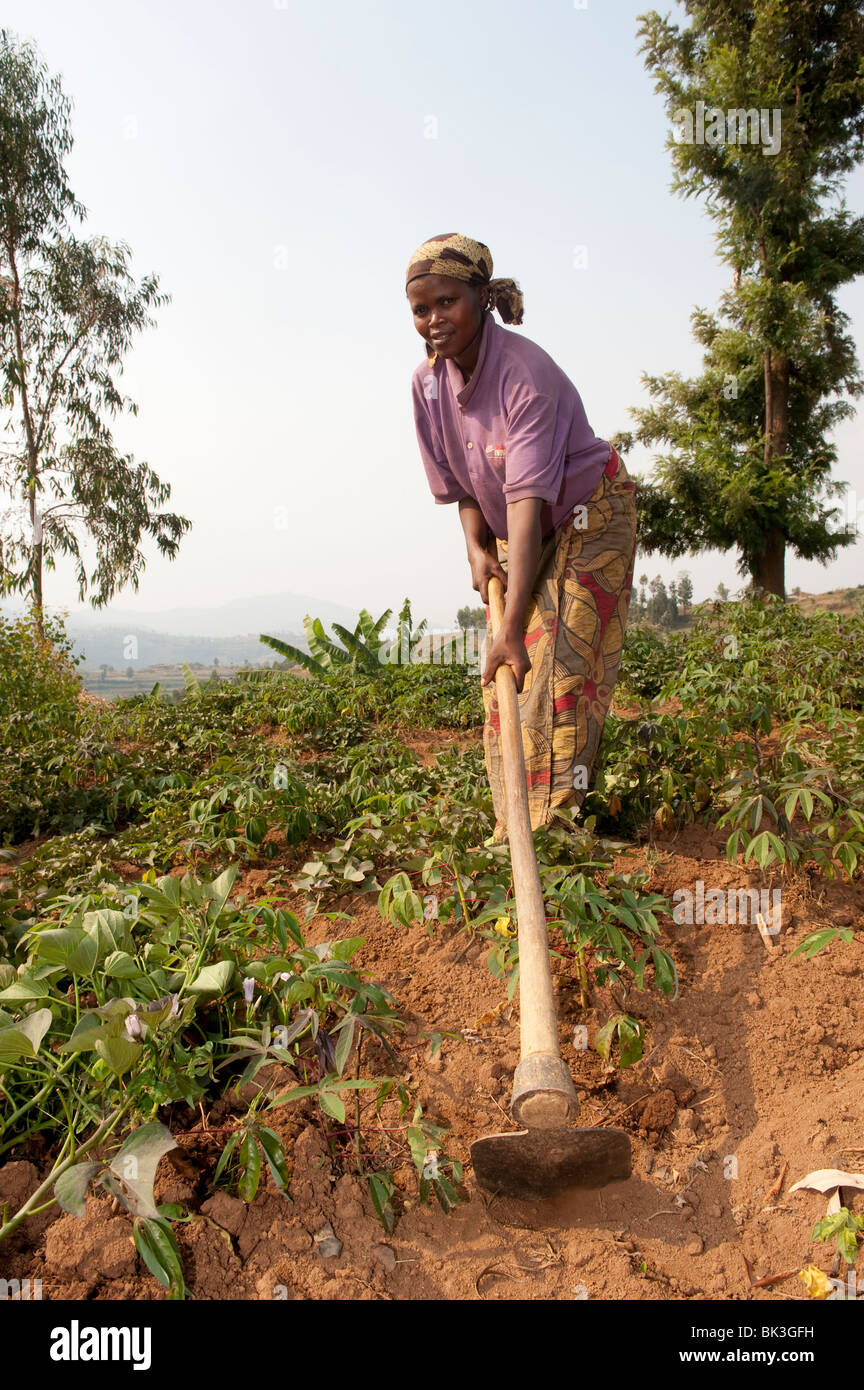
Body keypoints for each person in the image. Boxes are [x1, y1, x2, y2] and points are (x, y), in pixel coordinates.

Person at [406, 232, 637, 840]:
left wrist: (510, 628)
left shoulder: (524, 377)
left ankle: (557, 825)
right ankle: (514, 827)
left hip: (590, 512)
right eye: (420, 309)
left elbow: (529, 505)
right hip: (513, 524)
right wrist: (476, 550)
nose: (433, 320)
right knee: (506, 679)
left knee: (559, 668)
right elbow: (461, 484)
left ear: (482, 297)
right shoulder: (426, 386)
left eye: (447, 303)